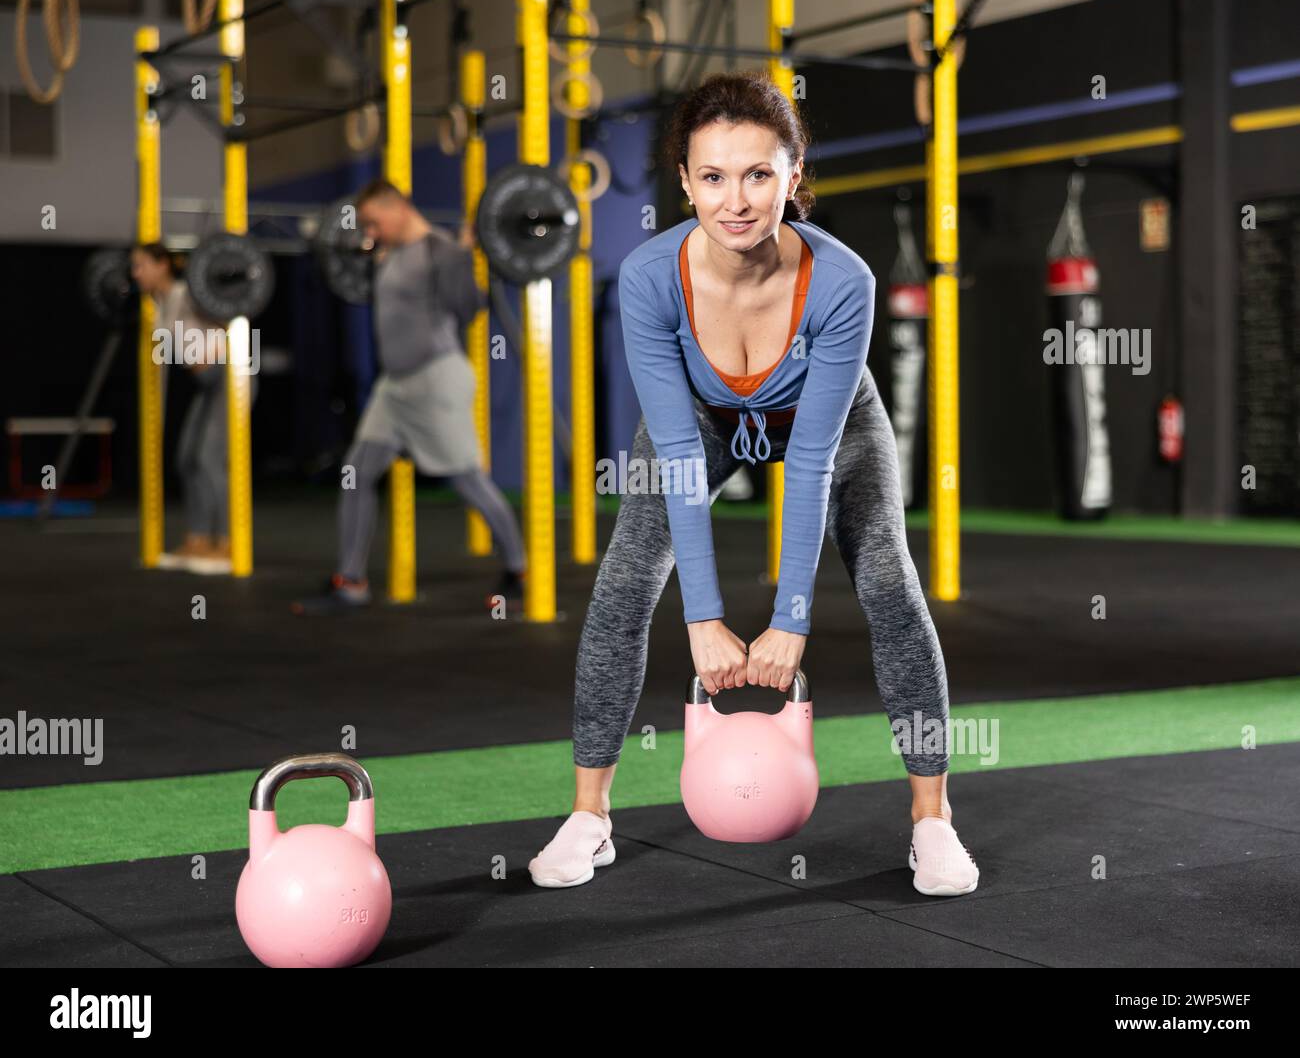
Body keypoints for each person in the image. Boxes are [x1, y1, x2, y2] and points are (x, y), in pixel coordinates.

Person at [529, 72, 978, 897]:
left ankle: (933, 819)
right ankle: (589, 815)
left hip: (825, 420)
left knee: (888, 580)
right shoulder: (648, 277)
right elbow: (676, 451)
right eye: (713, 177)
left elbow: (807, 460)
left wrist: (789, 621)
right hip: (698, 419)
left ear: (794, 173)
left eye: (759, 174)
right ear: (686, 182)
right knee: (625, 582)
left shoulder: (844, 283)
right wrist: (704, 620)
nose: (735, 200)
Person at [293, 178, 527, 615]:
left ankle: (520, 570)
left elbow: (470, 309)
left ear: (397, 208)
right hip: (394, 387)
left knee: (467, 480)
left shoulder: (440, 250)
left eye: (373, 221)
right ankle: (351, 581)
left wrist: (465, 256)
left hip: (437, 379)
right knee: (357, 473)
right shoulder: (389, 254)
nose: (370, 231)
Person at [130, 242, 244, 566]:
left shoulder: (189, 293)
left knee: (209, 458)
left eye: (141, 266)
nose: (136, 274)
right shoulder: (159, 305)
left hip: (231, 377)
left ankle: (228, 541)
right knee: (186, 459)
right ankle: (198, 538)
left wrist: (214, 355)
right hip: (206, 386)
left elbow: (233, 322)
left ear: (162, 264)